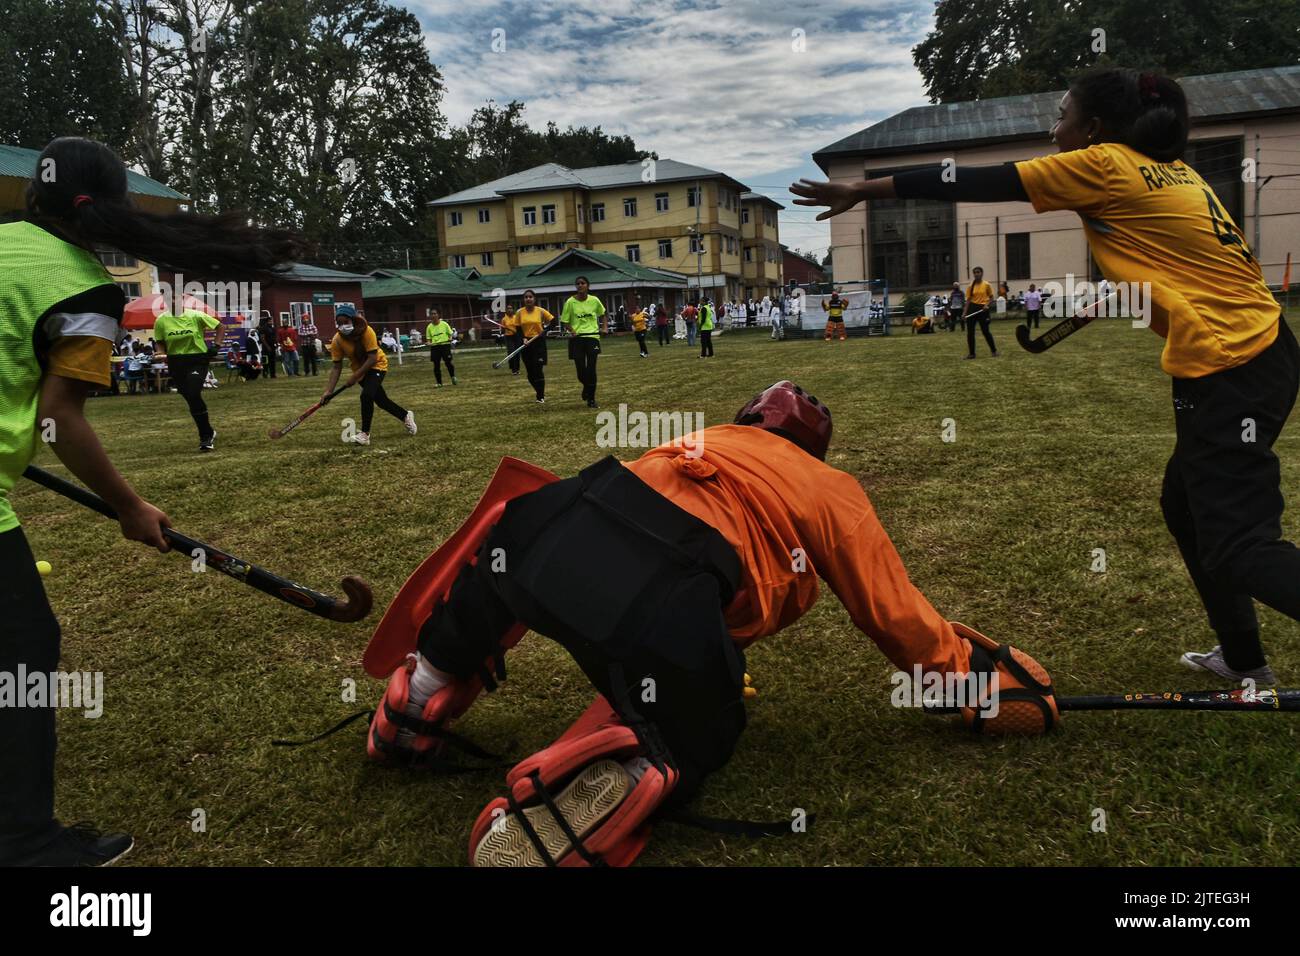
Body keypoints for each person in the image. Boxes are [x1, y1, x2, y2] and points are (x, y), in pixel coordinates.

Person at [364, 381, 1057, 867]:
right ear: (816, 450)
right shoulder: (831, 489)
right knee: (704, 727)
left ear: (750, 419)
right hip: (663, 588)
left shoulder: (703, 437)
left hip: (552, 522)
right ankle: (627, 766)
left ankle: (420, 694)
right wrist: (967, 686)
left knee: (500, 584)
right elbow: (893, 613)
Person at [793, 66, 1298, 684]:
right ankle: (1245, 660)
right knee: (1188, 505)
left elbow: (975, 180)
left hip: (1231, 363)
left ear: (1091, 128)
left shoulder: (1103, 163)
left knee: (1238, 542)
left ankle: (1250, 661)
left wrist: (864, 190)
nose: (1053, 127)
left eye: (1062, 115)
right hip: (1263, 350)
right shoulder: (1175, 171)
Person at [0, 135, 305, 867]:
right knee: (24, 650)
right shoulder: (80, 288)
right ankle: (22, 841)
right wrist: (132, 507)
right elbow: (60, 419)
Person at [322, 303, 417, 446]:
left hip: (377, 365)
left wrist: (354, 377)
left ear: (353, 320)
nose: (342, 326)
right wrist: (328, 391)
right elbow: (336, 367)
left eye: (345, 322)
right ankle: (405, 415)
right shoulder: (337, 340)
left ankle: (365, 434)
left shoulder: (367, 331)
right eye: (339, 323)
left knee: (366, 395)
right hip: (359, 370)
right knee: (381, 401)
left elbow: (372, 358)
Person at [153, 303, 224, 452]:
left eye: (175, 297)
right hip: (176, 362)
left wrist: (216, 346)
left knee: (193, 392)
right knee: (190, 398)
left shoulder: (195, 315)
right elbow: (160, 342)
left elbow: (220, 327)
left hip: (197, 360)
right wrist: (159, 352)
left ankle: (205, 437)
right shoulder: (161, 320)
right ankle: (209, 431)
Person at [560, 276, 605, 409]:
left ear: (587, 285)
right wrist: (572, 330)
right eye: (578, 284)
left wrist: (604, 327)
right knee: (581, 371)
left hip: (592, 337)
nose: (580, 285)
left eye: (583, 283)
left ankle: (591, 399)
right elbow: (565, 321)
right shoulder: (570, 302)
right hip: (577, 339)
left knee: (591, 369)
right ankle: (586, 386)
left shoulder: (594, 300)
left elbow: (603, 314)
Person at [513, 290, 554, 403]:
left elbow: (553, 322)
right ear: (524, 299)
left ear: (534, 299)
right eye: (526, 297)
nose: (528, 299)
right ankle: (539, 391)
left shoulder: (540, 311)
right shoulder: (519, 312)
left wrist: (544, 331)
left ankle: (540, 396)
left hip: (538, 343)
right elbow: (518, 329)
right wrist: (523, 338)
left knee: (538, 370)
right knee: (530, 373)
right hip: (526, 344)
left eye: (530, 297)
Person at [959, 267, 998, 359]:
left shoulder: (986, 284)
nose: (976, 274)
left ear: (982, 273)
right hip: (972, 308)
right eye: (975, 273)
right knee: (970, 332)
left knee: (985, 331)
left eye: (978, 272)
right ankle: (972, 354)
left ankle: (994, 351)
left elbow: (991, 298)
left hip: (983, 309)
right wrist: (964, 313)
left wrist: (987, 305)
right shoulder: (970, 286)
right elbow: (968, 300)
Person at [426, 309, 456, 387]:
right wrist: (429, 343)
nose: (433, 315)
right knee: (436, 365)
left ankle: (453, 377)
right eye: (432, 314)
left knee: (448, 363)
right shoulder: (429, 327)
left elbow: (450, 334)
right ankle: (439, 383)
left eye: (435, 314)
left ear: (438, 315)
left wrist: (450, 338)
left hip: (445, 345)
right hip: (435, 347)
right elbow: (428, 339)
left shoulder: (444, 324)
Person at [500, 306, 522, 376]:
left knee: (517, 352)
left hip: (516, 337)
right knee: (511, 352)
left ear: (513, 310)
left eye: (511, 308)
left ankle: (517, 369)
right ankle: (513, 369)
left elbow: (519, 327)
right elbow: (502, 330)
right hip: (509, 337)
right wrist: (504, 328)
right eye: (508, 309)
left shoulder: (516, 317)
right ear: (506, 310)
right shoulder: (504, 319)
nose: (510, 310)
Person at [258, 312, 278, 378]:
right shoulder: (263, 328)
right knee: (266, 361)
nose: (271, 322)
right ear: (267, 321)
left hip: (273, 346)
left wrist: (276, 344)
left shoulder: (273, 328)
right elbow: (262, 338)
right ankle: (265, 374)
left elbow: (274, 337)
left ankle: (273, 374)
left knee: (273, 361)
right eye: (270, 321)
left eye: (272, 321)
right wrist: (267, 346)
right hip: (266, 347)